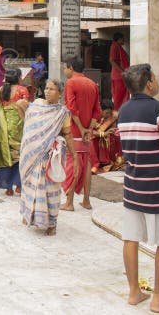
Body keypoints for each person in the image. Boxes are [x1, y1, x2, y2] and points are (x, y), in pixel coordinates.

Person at [118, 63, 159, 314]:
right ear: (148, 83)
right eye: (155, 78)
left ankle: (134, 291)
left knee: (130, 238)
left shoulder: (124, 110)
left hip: (134, 185)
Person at [20, 78, 78, 236]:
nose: (47, 91)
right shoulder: (37, 104)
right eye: (46, 88)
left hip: (50, 158)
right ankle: (30, 215)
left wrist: (75, 156)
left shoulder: (62, 112)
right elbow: (23, 111)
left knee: (51, 190)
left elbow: (68, 135)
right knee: (31, 186)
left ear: (59, 93)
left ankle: (51, 224)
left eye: (52, 89)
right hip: (31, 156)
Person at [61, 57, 101, 212]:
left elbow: (71, 107)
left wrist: (81, 128)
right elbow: (97, 110)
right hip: (86, 131)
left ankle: (69, 202)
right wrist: (89, 129)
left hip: (75, 130)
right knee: (87, 164)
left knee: (74, 164)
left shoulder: (71, 83)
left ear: (70, 67)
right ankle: (86, 200)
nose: (65, 71)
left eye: (65, 68)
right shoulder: (92, 84)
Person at [0, 69, 30, 196]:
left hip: (4, 126)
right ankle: (19, 186)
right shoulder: (22, 90)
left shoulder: (1, 91)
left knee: (6, 156)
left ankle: (8, 188)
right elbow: (25, 108)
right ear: (19, 78)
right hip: (19, 126)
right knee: (21, 156)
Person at [90, 100, 123, 173]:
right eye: (106, 113)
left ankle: (113, 161)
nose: (108, 115)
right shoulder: (93, 116)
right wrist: (103, 134)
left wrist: (111, 131)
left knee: (116, 137)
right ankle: (96, 165)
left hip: (107, 138)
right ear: (100, 110)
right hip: (94, 137)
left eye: (110, 113)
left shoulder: (113, 116)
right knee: (92, 141)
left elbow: (114, 128)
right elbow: (90, 131)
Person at [109, 32, 130, 110]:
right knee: (118, 96)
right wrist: (122, 71)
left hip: (121, 76)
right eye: (122, 38)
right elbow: (112, 60)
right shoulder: (114, 46)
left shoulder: (118, 47)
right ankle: (117, 113)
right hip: (118, 77)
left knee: (122, 96)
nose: (124, 40)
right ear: (119, 39)